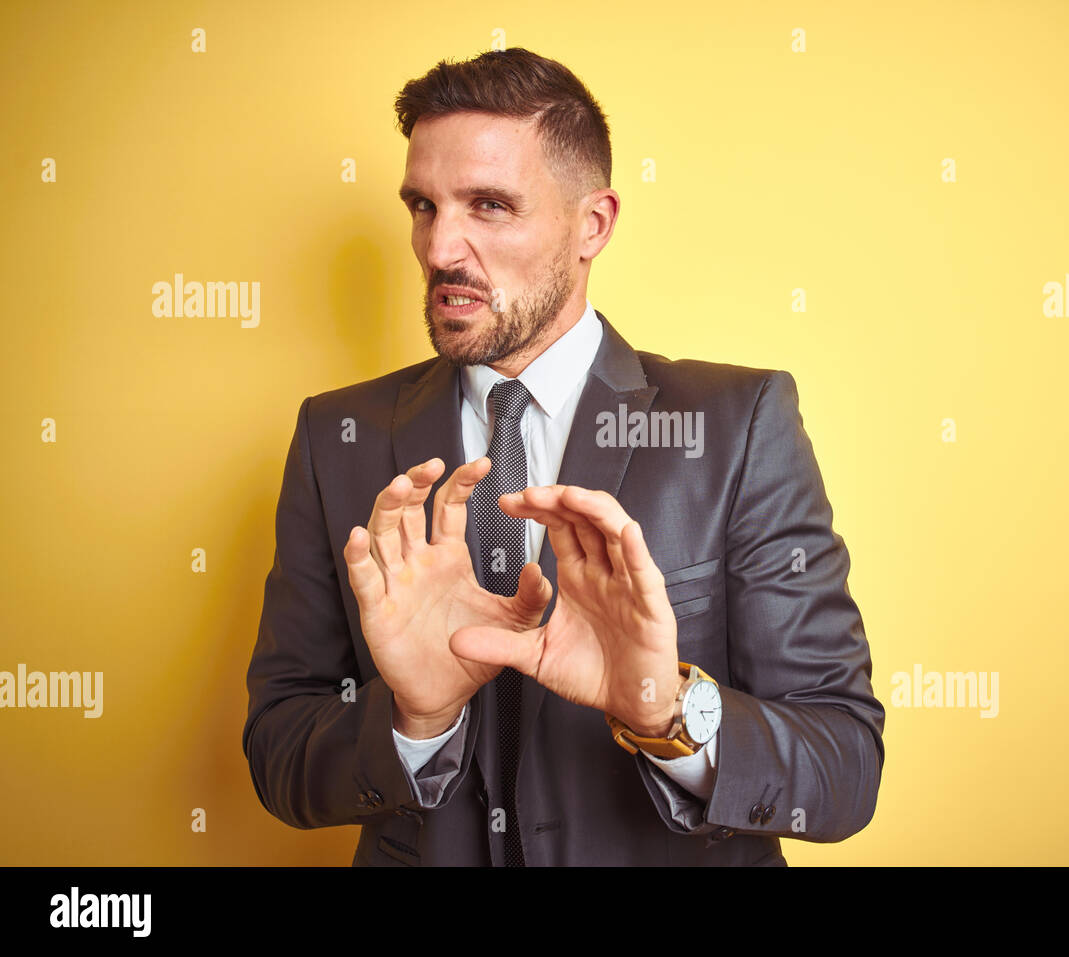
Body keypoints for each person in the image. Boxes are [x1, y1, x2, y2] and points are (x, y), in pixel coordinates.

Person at [242, 47, 885, 866]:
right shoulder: (338, 435)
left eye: (489, 206)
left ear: (593, 224)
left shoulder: (738, 422)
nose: (441, 249)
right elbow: (277, 748)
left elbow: (844, 763)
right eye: (423, 206)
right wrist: (414, 719)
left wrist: (665, 710)